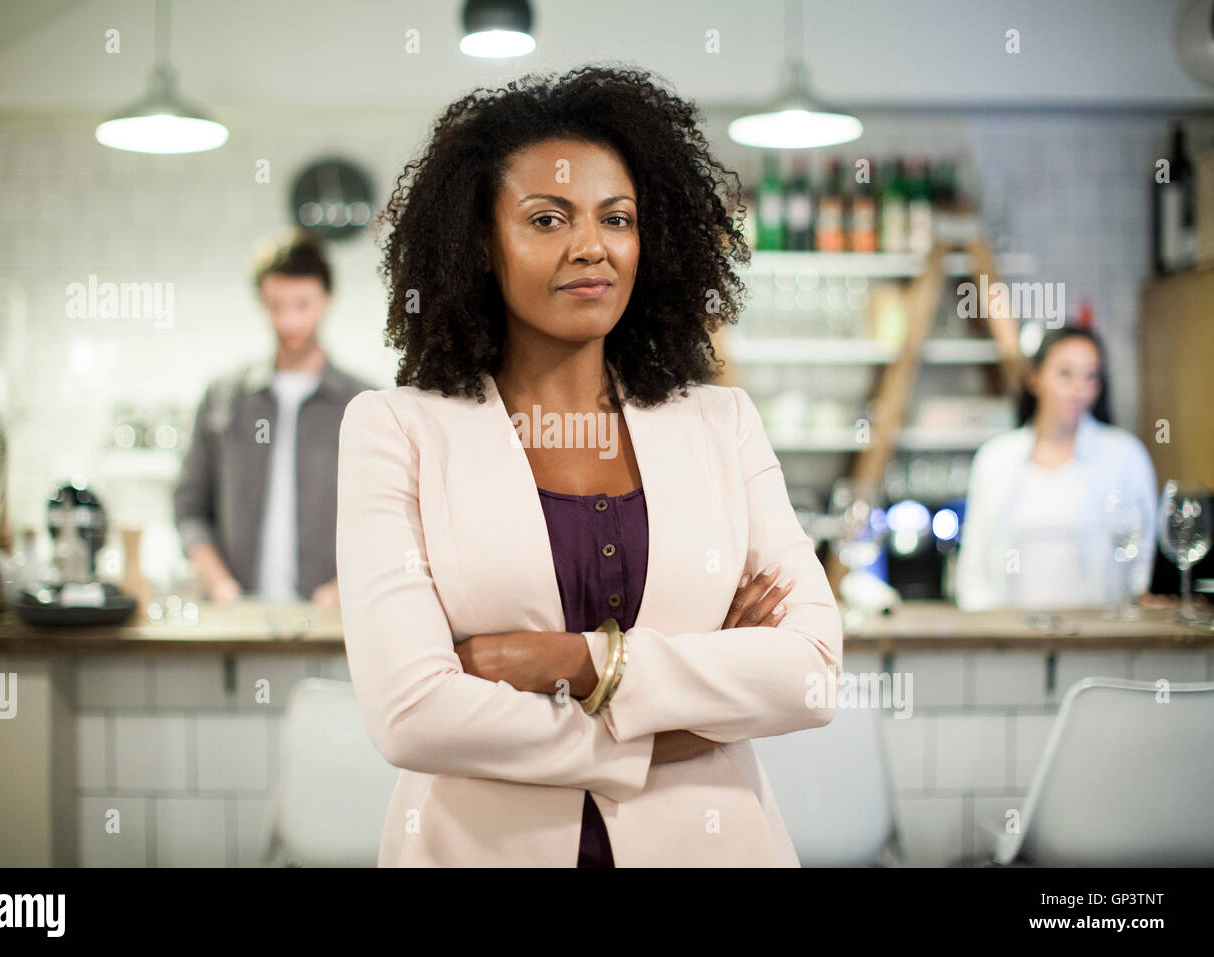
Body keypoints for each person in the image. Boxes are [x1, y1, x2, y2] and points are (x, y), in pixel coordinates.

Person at [336, 66, 843, 867]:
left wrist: (584, 662)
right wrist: (682, 712)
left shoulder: (721, 424)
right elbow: (412, 713)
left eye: (618, 218)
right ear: (479, 240)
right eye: (547, 218)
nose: (592, 247)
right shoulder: (397, 430)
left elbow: (811, 672)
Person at [175, 234, 373, 606]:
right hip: (239, 621)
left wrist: (343, 586)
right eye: (275, 305)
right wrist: (218, 582)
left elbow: (388, 521)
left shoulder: (364, 404)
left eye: (302, 304)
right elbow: (189, 506)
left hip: (334, 623)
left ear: (327, 300)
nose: (289, 320)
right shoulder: (223, 398)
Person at [955, 325, 1158, 611]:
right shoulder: (995, 459)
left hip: (1101, 638)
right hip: (1012, 637)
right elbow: (973, 566)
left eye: (1090, 377)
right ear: (1034, 378)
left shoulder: (1125, 455)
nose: (1079, 389)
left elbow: (1142, 555)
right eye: (1065, 374)